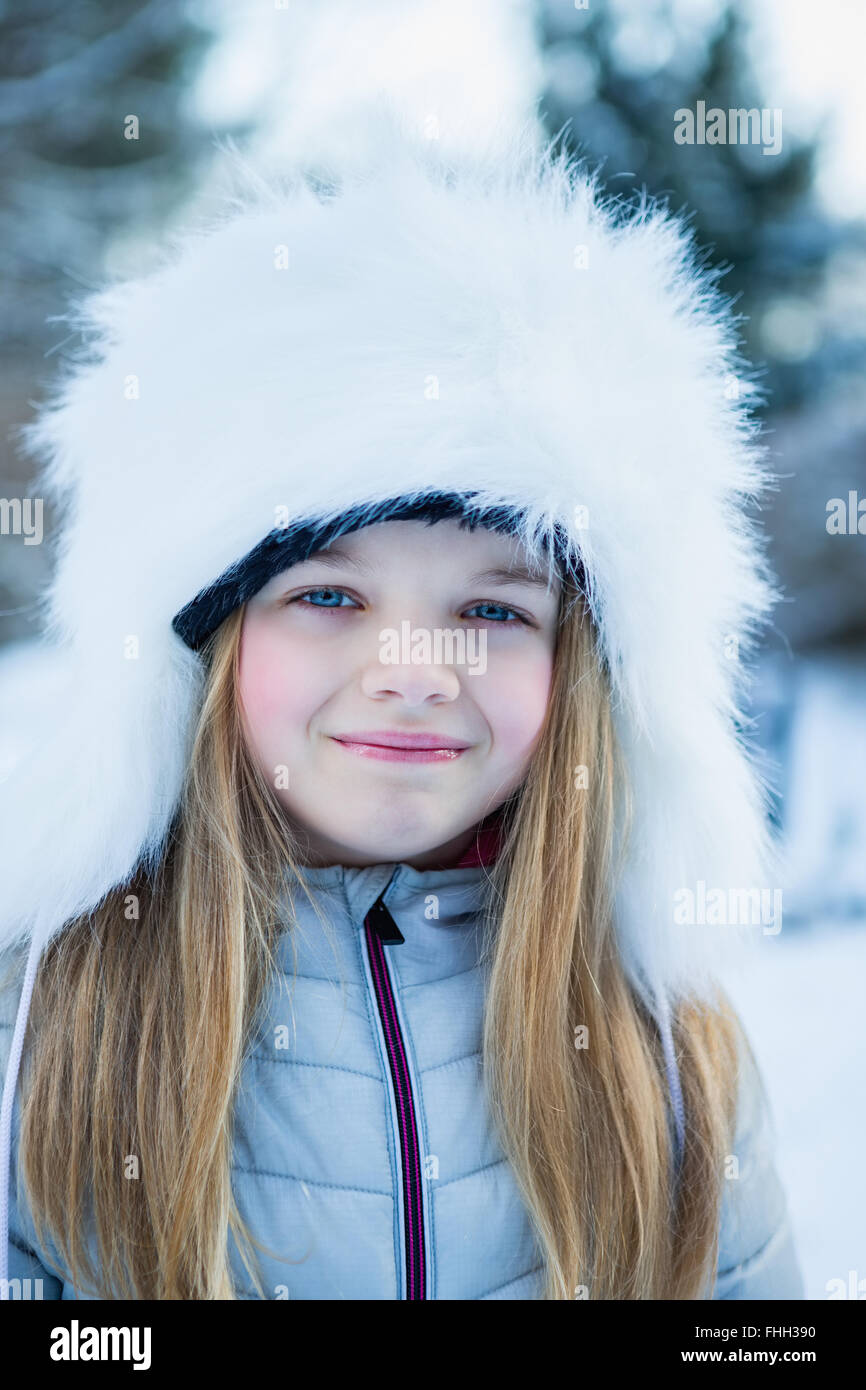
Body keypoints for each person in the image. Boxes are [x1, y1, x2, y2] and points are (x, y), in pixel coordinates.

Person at [0, 117, 805, 1300]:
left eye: (490, 611)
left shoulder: (667, 1053)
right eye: (327, 593)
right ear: (198, 654)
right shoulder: (47, 1031)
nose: (415, 665)